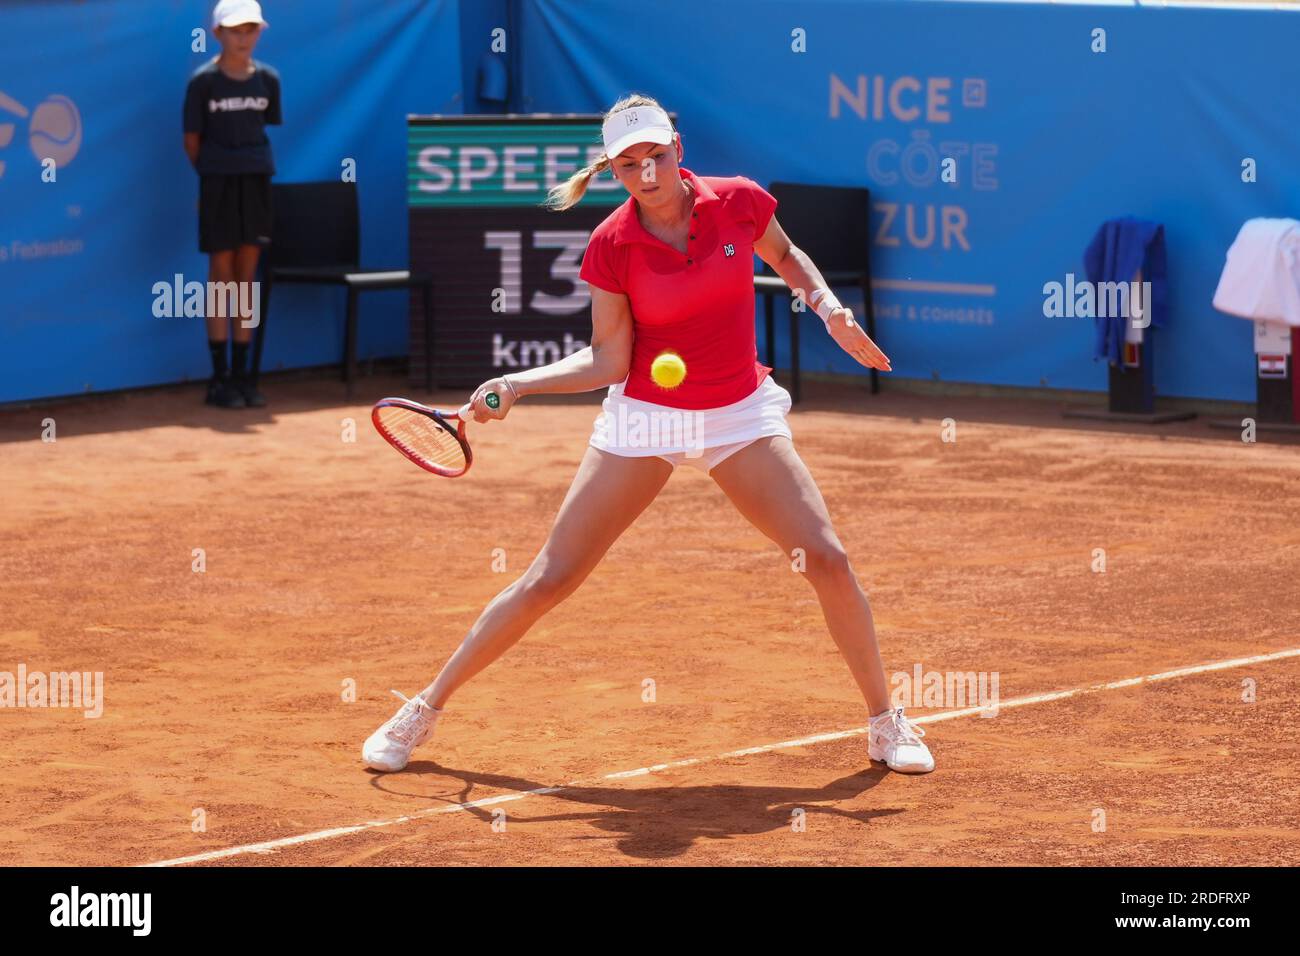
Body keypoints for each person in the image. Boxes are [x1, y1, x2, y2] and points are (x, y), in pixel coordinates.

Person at [363, 93, 934, 776]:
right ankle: (423, 709)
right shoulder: (611, 245)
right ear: (613, 170)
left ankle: (883, 721)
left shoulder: (738, 201)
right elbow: (609, 359)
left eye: (657, 157)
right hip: (646, 419)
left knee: (826, 559)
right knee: (551, 578)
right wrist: (519, 384)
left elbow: (786, 255)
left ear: (678, 150)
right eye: (630, 164)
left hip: (737, 412)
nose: (648, 174)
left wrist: (829, 309)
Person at [183, 0, 280, 409]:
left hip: (256, 181)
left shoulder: (269, 80)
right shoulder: (203, 82)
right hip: (218, 183)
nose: (243, 38)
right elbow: (192, 142)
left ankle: (243, 375)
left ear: (260, 32)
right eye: (235, 30)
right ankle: (218, 378)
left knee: (247, 274)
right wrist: (214, 174)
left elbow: (265, 127)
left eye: (250, 29)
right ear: (217, 33)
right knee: (221, 275)